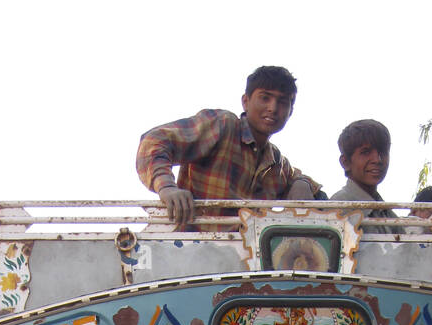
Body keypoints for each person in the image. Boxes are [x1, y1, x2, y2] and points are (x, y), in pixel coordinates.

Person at [136, 66, 322, 230]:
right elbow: (154, 140)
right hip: (190, 248)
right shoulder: (222, 126)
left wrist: (301, 185)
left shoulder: (276, 163)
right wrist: (167, 188)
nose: (273, 108)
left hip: (241, 260)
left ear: (291, 111)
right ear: (245, 101)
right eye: (265, 98)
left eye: (282, 102)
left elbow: (301, 180)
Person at [330, 120, 396, 215]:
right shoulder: (339, 208)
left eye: (382, 152)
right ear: (346, 162)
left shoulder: (386, 212)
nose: (377, 160)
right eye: (366, 152)